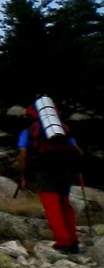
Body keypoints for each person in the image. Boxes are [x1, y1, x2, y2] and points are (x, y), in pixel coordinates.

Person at [17, 96, 85, 254]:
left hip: (44, 171)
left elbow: (23, 155)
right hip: (64, 171)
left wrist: (23, 176)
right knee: (65, 204)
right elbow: (78, 152)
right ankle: (73, 241)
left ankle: (63, 242)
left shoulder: (29, 131)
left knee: (52, 206)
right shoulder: (62, 129)